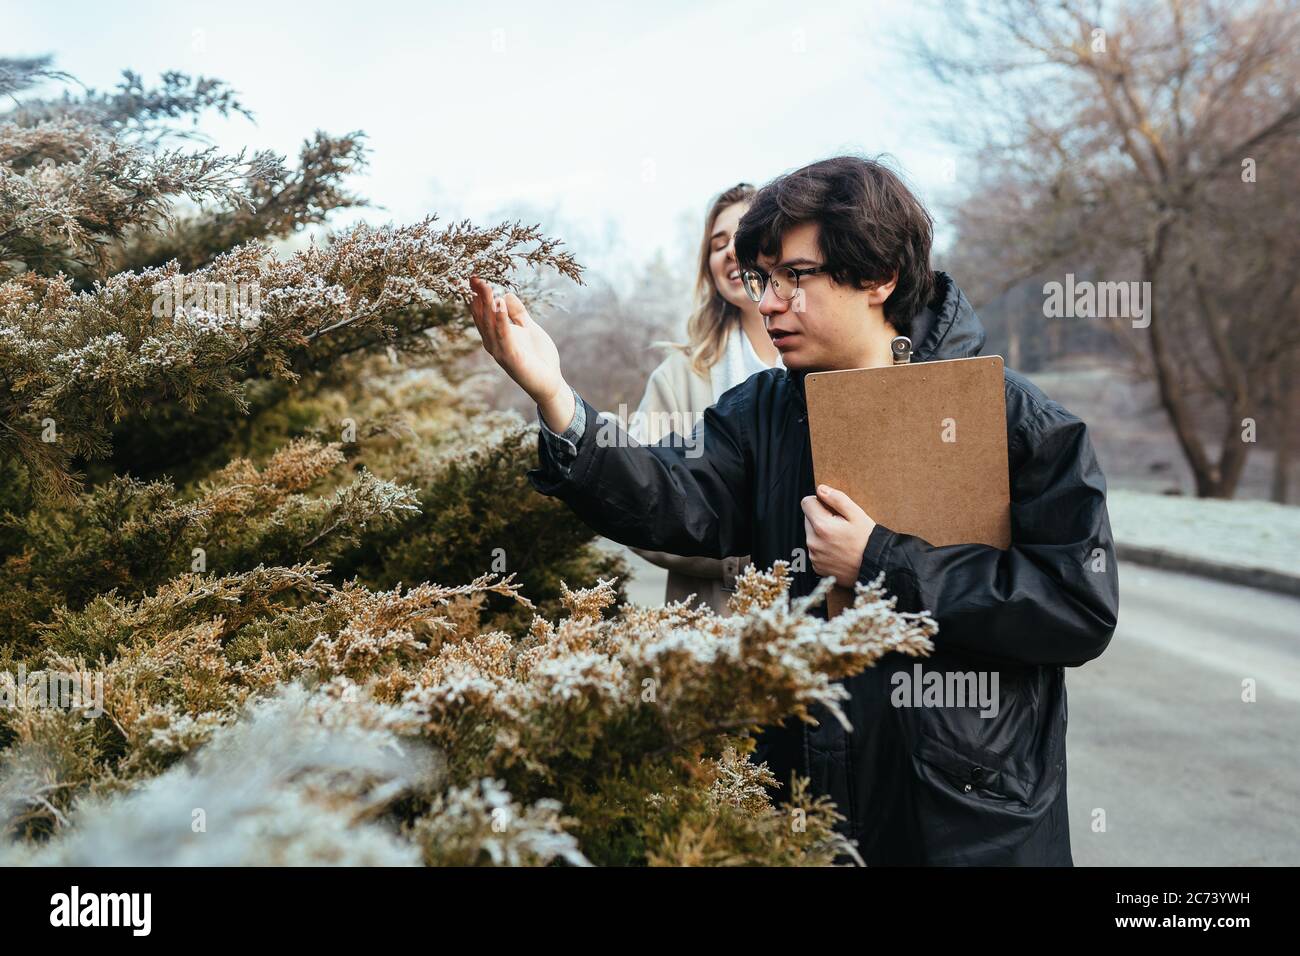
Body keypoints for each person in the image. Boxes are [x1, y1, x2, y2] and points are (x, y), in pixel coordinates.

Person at [467, 155, 1119, 865]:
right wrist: (557, 398)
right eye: (762, 280)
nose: (769, 303)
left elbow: (1074, 609)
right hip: (801, 811)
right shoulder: (762, 412)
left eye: (795, 278)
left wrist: (882, 560)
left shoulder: (1014, 421)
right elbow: (672, 497)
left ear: (879, 277)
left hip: (968, 823)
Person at [625, 183, 782, 613]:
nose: (730, 251)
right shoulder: (676, 378)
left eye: (743, 234)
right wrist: (749, 557)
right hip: (713, 626)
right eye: (717, 244)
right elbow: (638, 501)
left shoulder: (828, 361)